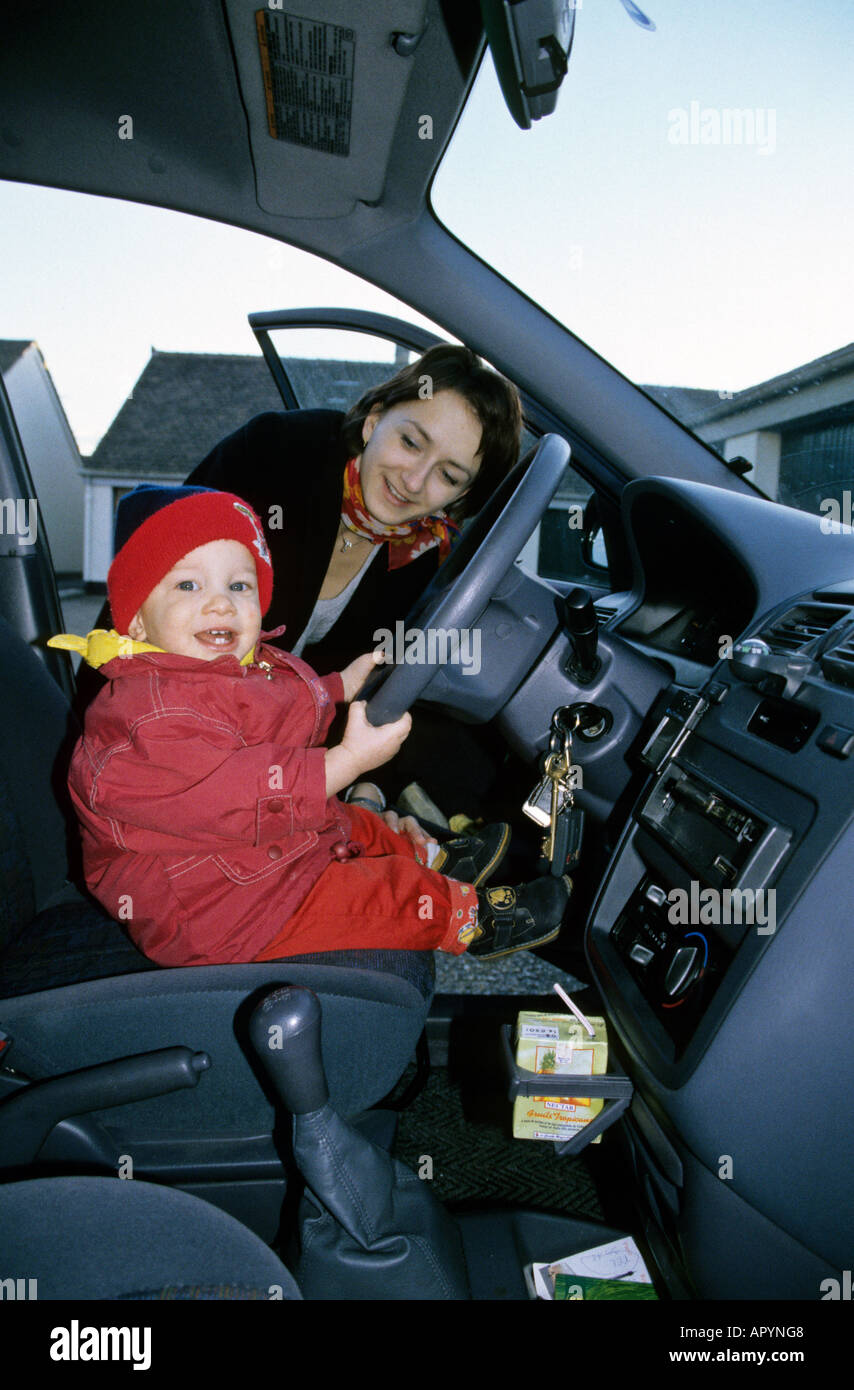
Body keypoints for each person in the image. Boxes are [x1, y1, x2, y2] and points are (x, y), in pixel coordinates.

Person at [50, 485, 571, 968]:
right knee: (375, 895)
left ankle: (436, 856)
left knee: (350, 821)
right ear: (137, 620)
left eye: (239, 584)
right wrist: (347, 762)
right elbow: (236, 795)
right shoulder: (145, 717)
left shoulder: (222, 670)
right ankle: (474, 920)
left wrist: (341, 685)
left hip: (243, 853)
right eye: (188, 584)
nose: (220, 602)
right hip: (215, 906)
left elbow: (276, 703)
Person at [184, 344, 524, 815]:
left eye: (448, 475)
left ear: (463, 495)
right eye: (410, 442)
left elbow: (386, 689)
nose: (414, 481)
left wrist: (367, 791)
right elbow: (159, 602)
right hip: (164, 732)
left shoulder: (429, 558)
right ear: (373, 421)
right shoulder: (275, 454)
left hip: (278, 764)